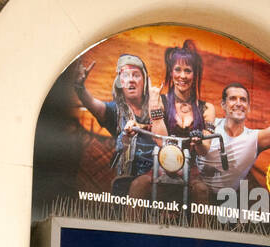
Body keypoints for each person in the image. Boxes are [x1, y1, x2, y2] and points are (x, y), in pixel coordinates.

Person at [129, 40, 213, 204]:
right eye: (178, 70)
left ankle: (200, 229)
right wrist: (153, 104)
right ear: (171, 72)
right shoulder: (160, 100)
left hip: (190, 167)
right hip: (161, 164)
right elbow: (161, 141)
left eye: (188, 71)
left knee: (202, 191)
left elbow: (204, 151)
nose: (182, 76)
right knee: (138, 185)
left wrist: (199, 142)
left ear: (195, 74)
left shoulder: (206, 108)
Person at [71, 54, 167, 196]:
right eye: (126, 75)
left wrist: (155, 106)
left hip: (161, 177)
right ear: (120, 82)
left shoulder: (160, 101)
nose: (131, 80)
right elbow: (93, 104)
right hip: (127, 182)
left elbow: (164, 140)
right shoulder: (114, 110)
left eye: (136, 75)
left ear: (145, 80)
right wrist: (79, 87)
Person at [195, 82, 270, 195]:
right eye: (232, 99)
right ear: (223, 105)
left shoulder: (254, 139)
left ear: (249, 107)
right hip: (195, 194)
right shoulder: (209, 125)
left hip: (226, 203)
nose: (238, 103)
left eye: (243, 100)